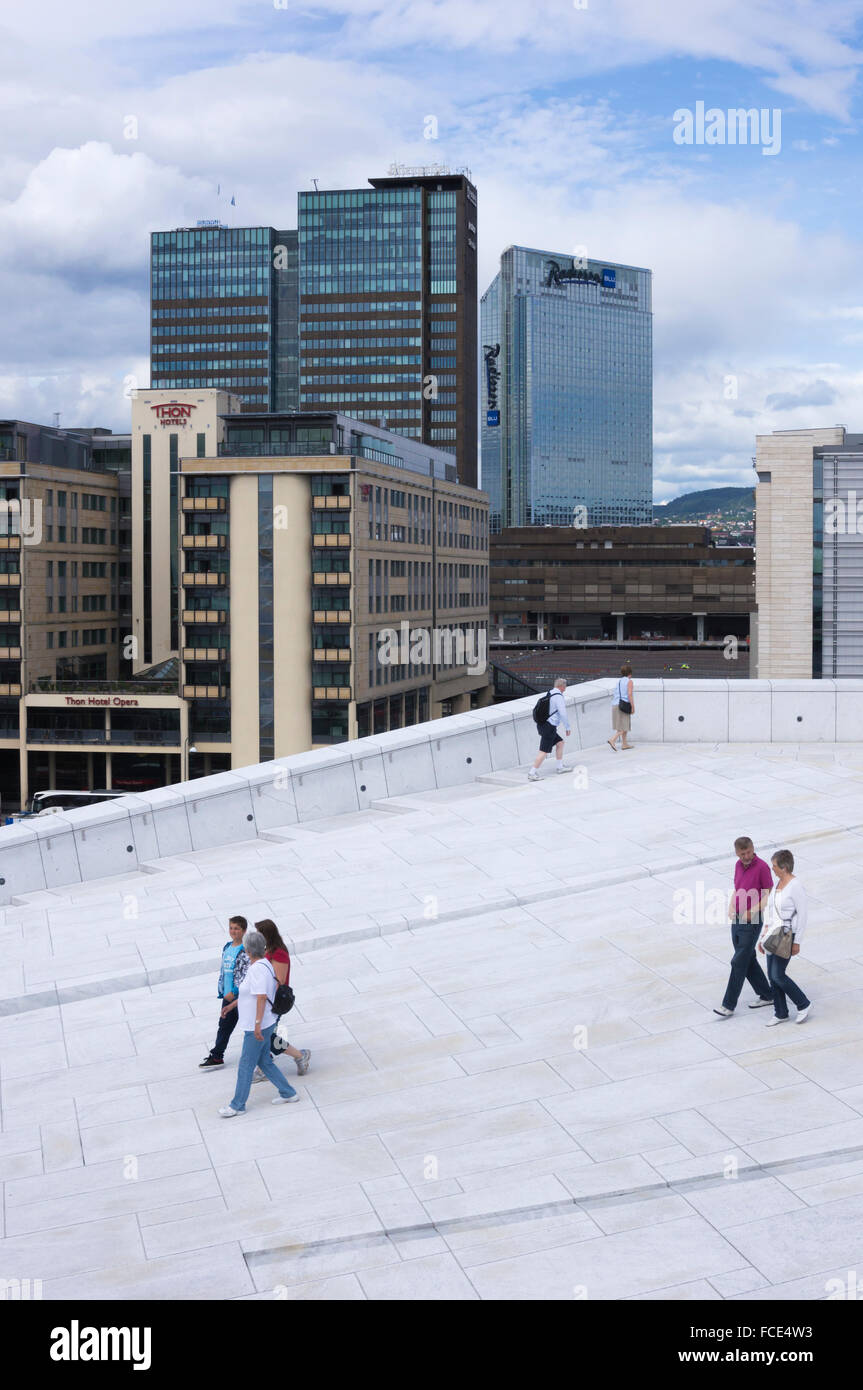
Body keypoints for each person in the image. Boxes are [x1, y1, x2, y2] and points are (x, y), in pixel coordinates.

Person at [219, 929, 299, 1116]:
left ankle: (237, 1105)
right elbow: (252, 994)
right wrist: (232, 1006)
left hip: (258, 1026)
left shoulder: (256, 970)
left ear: (247, 950)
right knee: (264, 1061)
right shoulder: (264, 964)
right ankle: (288, 1092)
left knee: (246, 1065)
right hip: (265, 1023)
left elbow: (262, 997)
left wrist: (256, 1025)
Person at [714, 837, 774, 1018]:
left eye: (748, 852)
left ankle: (728, 1005)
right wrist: (731, 906)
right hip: (737, 919)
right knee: (747, 959)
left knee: (738, 961)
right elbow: (737, 888)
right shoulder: (737, 865)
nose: (746, 856)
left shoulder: (762, 867)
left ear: (753, 848)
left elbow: (768, 894)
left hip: (752, 919)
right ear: (737, 853)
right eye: (742, 854)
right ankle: (768, 994)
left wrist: (752, 911)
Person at [758, 849, 811, 1027]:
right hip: (773, 934)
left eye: (774, 865)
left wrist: (797, 942)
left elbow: (802, 915)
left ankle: (803, 1004)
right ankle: (780, 1013)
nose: (772, 868)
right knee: (772, 976)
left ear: (784, 867)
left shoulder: (795, 886)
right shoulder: (778, 883)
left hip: (787, 935)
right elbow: (771, 911)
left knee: (778, 975)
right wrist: (763, 936)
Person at [254, 919, 310, 1079]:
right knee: (266, 1035)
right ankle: (265, 1064)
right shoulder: (269, 950)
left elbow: (280, 981)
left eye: (259, 933)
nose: (257, 935)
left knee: (268, 1037)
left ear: (267, 934)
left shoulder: (278, 953)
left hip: (273, 1003)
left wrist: (264, 1003)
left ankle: (299, 1055)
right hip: (267, 1002)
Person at [199, 915, 249, 1068]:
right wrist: (223, 990)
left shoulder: (246, 949)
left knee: (251, 1027)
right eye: (231, 928)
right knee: (224, 1025)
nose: (233, 931)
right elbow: (224, 971)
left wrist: (234, 991)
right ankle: (217, 1056)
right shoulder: (227, 947)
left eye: (237, 928)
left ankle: (267, 1052)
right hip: (227, 996)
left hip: (241, 996)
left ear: (244, 931)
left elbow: (246, 973)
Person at [528, 677, 571, 780]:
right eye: (565, 686)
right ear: (561, 686)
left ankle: (560, 767)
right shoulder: (558, 697)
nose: (565, 688)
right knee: (543, 751)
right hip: (549, 727)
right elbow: (563, 713)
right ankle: (532, 773)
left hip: (544, 725)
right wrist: (567, 727)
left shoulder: (550, 693)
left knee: (560, 743)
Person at [608, 664, 634, 751]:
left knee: (622, 726)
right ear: (630, 673)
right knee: (625, 726)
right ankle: (612, 740)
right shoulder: (629, 681)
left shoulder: (619, 681)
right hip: (624, 705)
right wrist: (633, 706)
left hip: (615, 704)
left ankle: (624, 744)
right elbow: (630, 694)